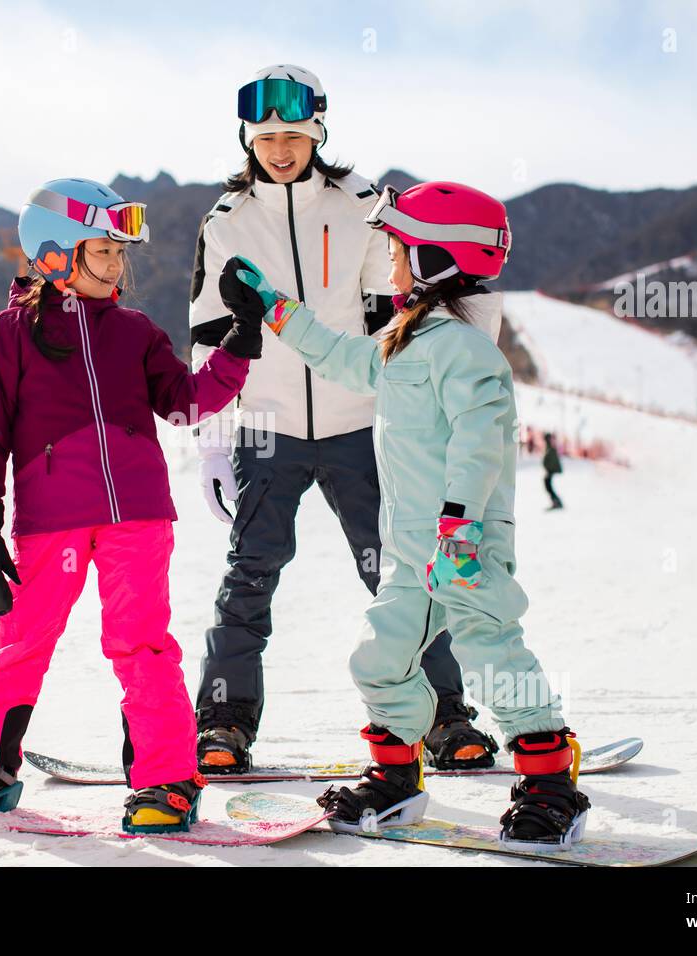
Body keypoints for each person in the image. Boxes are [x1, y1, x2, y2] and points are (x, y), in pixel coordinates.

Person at [219, 180, 589, 848]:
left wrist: (459, 523)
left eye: (398, 252)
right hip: (411, 549)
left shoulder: (467, 350)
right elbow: (338, 356)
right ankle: (396, 781)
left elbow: (480, 442)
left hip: (463, 537)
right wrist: (275, 308)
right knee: (378, 656)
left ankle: (551, 785)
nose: (389, 265)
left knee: (490, 650)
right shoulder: (401, 343)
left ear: (437, 262)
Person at [0, 178, 263, 833]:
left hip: (138, 516)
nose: (116, 264)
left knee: (142, 647)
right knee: (20, 644)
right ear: (55, 254)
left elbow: (187, 402)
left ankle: (166, 780)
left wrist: (241, 341)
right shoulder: (12, 334)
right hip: (51, 522)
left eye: (118, 253)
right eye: (103, 250)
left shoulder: (134, 332)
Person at [188, 64, 496, 774]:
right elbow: (206, 332)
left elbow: (396, 309)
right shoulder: (226, 221)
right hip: (265, 424)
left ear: (318, 131)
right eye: (266, 136)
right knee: (249, 575)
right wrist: (212, 440)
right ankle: (223, 725)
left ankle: (446, 718)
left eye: (294, 133)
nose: (281, 147)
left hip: (358, 420)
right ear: (248, 139)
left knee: (400, 572)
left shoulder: (359, 205)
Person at [543, 432, 564, 510]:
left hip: (550, 471)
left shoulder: (551, 448)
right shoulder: (549, 447)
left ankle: (557, 503)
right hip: (549, 471)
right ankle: (556, 502)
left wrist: (549, 469)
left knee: (548, 486)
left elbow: (552, 461)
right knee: (548, 486)